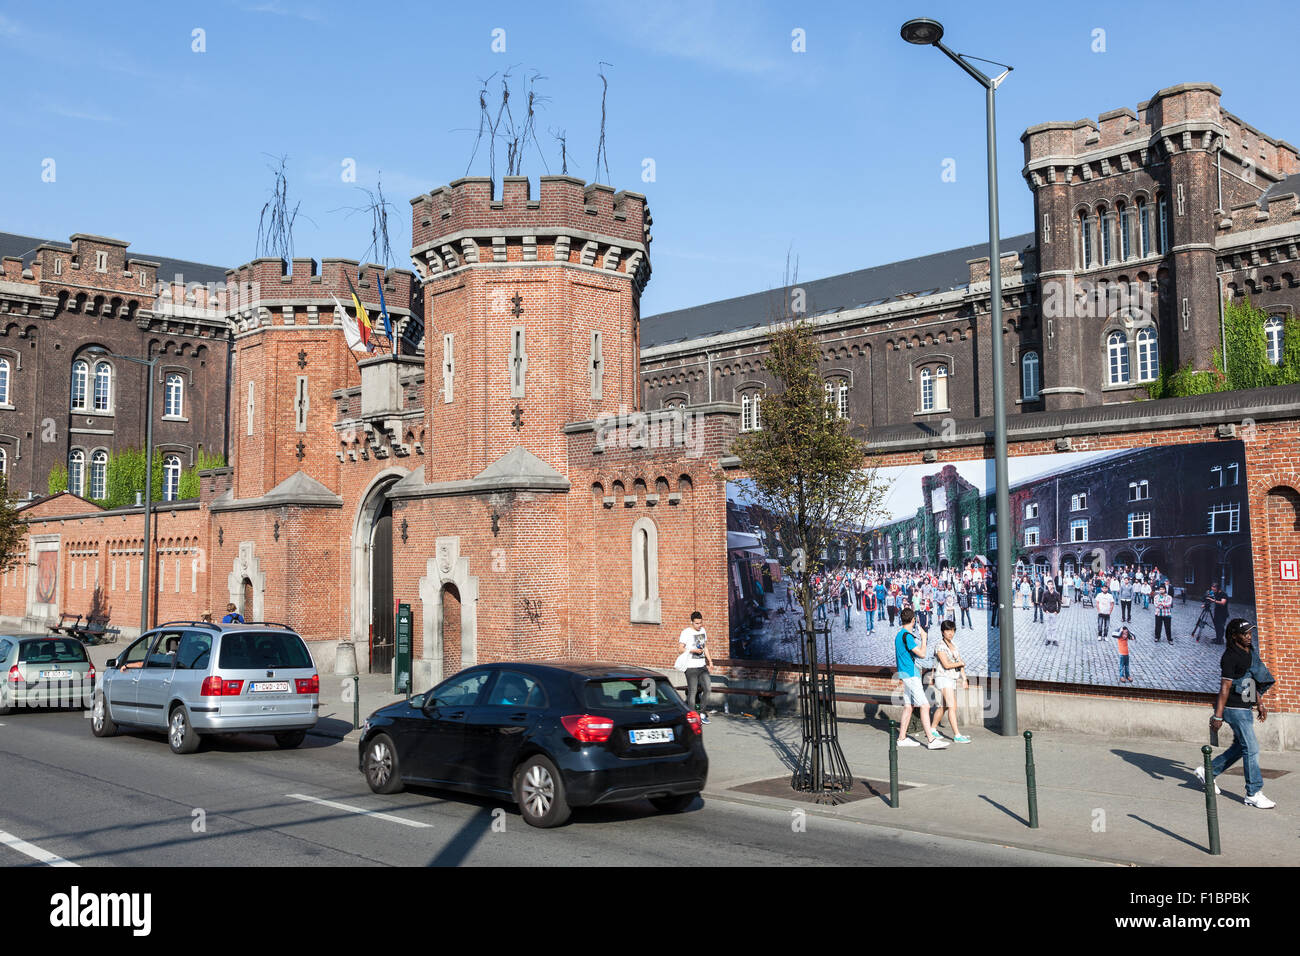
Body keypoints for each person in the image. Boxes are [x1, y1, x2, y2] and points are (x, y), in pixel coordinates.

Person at [1199, 619, 1276, 808]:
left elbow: (1250, 679)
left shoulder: (1248, 651)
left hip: (1245, 707)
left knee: (1240, 748)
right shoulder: (1230, 657)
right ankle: (1253, 792)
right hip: (1234, 708)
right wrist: (1218, 716)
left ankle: (1208, 771)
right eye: (1244, 634)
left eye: (1250, 633)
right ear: (1234, 636)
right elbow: (1224, 688)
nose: (1249, 637)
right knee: (1252, 748)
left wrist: (1260, 703)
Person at [893, 607, 948, 750]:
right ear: (913, 620)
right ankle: (931, 740)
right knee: (924, 705)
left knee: (908, 706)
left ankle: (902, 738)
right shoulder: (907, 636)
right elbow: (922, 654)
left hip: (905, 674)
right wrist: (924, 638)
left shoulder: (899, 635)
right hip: (911, 675)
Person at [930, 620, 971, 743]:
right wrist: (960, 663)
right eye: (948, 630)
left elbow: (960, 662)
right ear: (943, 632)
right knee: (952, 705)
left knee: (944, 706)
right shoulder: (940, 646)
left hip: (951, 678)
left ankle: (932, 729)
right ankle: (957, 735)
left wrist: (964, 679)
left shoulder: (953, 645)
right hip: (942, 678)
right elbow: (947, 665)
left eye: (952, 630)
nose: (950, 633)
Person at [677, 611, 712, 723]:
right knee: (693, 691)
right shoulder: (686, 632)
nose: (699, 625)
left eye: (700, 623)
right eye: (697, 623)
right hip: (691, 667)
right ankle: (692, 716)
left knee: (708, 688)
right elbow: (680, 649)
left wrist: (710, 662)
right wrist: (692, 650)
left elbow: (705, 647)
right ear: (691, 622)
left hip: (702, 666)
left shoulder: (703, 631)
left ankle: (702, 713)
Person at [1042, 579, 1061, 646]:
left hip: (1054, 612)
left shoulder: (1056, 594)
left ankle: (1054, 639)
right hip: (1047, 612)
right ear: (1047, 585)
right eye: (1048, 584)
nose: (1050, 586)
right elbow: (1043, 603)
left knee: (1054, 626)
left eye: (1051, 584)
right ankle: (1048, 639)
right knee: (1048, 626)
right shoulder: (1045, 593)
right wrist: (1045, 610)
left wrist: (1057, 611)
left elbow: (1059, 603)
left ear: (1053, 585)